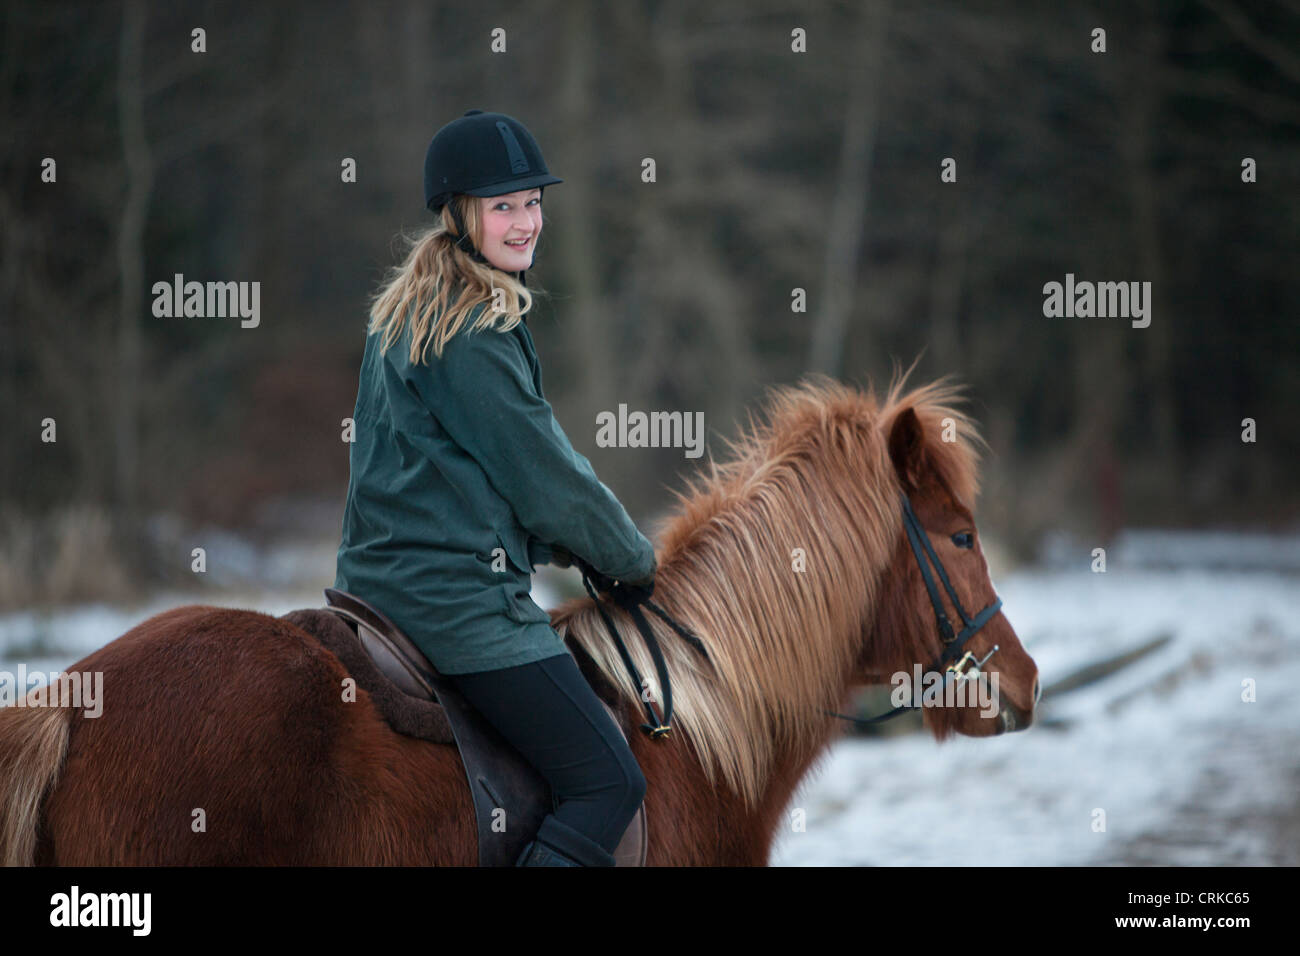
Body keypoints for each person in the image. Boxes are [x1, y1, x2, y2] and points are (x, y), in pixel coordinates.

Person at [333, 109, 656, 866]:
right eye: (503, 206)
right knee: (609, 783)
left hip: (378, 585)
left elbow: (456, 477)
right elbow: (545, 476)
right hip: (455, 605)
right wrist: (630, 558)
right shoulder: (473, 323)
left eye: (534, 202)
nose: (526, 222)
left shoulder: (412, 311)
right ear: (459, 214)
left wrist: (566, 550)